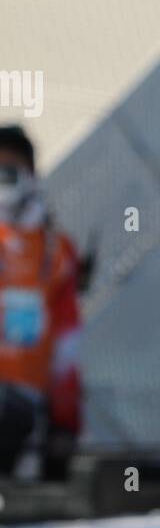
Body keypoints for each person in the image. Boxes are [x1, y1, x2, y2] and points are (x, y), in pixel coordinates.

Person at [0, 125, 82, 477]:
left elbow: (67, 343)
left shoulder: (55, 250)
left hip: (23, 402)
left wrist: (65, 422)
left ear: (31, 173)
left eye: (11, 168)